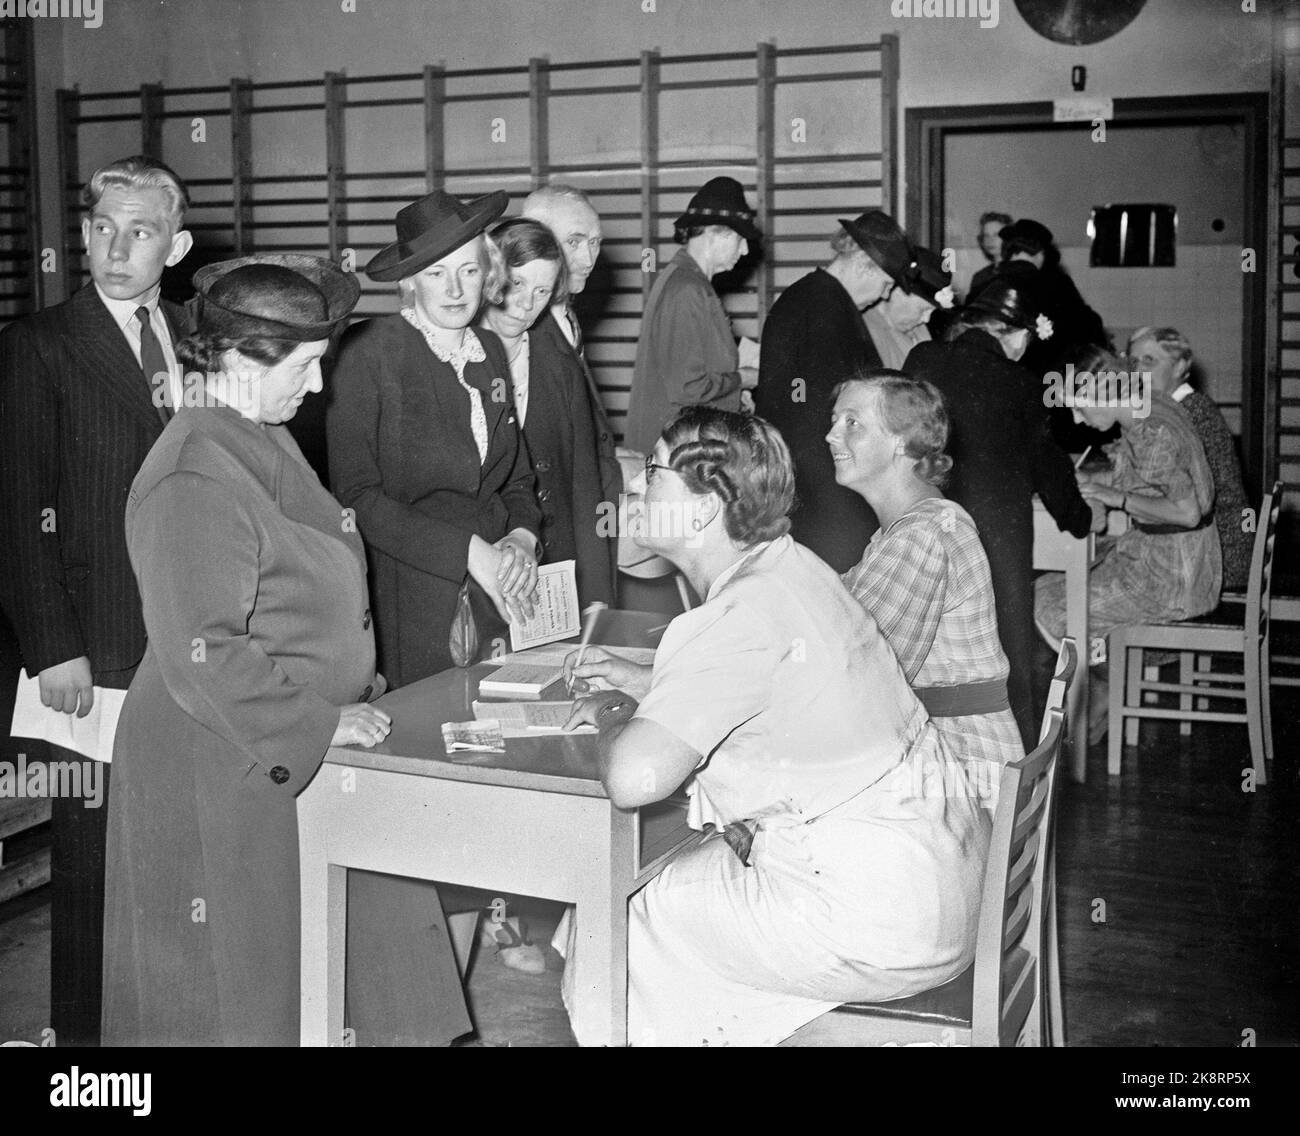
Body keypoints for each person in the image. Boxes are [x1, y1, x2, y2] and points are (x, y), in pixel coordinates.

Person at [561, 407, 988, 1047]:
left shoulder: (734, 614)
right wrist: (657, 682)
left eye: (650, 473)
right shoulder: (794, 568)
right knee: (663, 895)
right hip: (942, 882)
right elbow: (782, 681)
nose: (633, 489)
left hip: (875, 919)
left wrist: (613, 712)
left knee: (612, 913)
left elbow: (634, 778)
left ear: (702, 510)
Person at [101, 255, 393, 1045]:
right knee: (222, 993)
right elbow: (206, 650)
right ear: (237, 360)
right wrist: (318, 720)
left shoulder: (252, 433)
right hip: (213, 755)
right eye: (303, 366)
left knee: (276, 987)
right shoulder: (195, 470)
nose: (319, 385)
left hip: (255, 747)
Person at [0, 155, 193, 1046]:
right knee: (89, 868)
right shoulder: (39, 343)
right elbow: (16, 507)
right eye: (102, 228)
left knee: (167, 858)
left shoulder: (191, 340)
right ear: (82, 233)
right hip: (88, 654)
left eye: (141, 231)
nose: (116, 248)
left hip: (182, 647)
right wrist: (52, 648)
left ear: (176, 245)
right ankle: (78, 1053)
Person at [328, 189, 541, 685]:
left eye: (468, 271)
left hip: (500, 592)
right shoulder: (369, 353)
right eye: (435, 273)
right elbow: (356, 498)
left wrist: (522, 540)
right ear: (409, 281)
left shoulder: (488, 348)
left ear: (487, 274)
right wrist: (470, 552)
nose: (455, 289)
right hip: (410, 597)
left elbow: (517, 477)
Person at [904, 278, 1096, 749]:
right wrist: (1081, 519)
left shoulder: (921, 360)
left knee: (915, 654)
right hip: (993, 544)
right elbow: (1049, 467)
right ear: (1012, 335)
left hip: (918, 530)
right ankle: (1016, 779)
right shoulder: (1022, 385)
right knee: (1007, 657)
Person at [830, 372, 1023, 811]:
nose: (831, 434)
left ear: (902, 440)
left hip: (960, 768)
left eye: (852, 423)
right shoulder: (910, 527)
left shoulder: (920, 536)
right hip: (945, 753)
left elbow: (863, 673)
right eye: (835, 419)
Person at [1035, 349, 1222, 739]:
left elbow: (1186, 512)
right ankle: (1102, 679)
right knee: (1045, 589)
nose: (1075, 418)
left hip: (1170, 576)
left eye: (1079, 407)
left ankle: (1101, 689)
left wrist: (1114, 496)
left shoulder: (1150, 432)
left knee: (1052, 607)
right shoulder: (1153, 405)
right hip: (1180, 560)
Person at [753, 209, 911, 572]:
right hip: (822, 486)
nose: (882, 297)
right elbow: (823, 408)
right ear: (864, 265)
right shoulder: (824, 306)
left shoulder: (813, 296)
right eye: (886, 285)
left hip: (806, 479)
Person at [481, 217, 615, 605]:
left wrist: (596, 597)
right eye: (516, 284)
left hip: (554, 570)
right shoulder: (455, 357)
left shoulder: (560, 365)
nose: (525, 304)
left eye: (541, 292)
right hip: (484, 570)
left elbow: (585, 485)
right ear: (490, 276)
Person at [521, 184, 622, 598]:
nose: (587, 259)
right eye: (574, 242)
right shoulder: (521, 330)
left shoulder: (565, 315)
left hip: (591, 521)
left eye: (595, 242)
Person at [624, 176, 761, 454]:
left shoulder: (691, 283)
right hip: (675, 451)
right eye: (740, 239)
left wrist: (735, 396)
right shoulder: (687, 289)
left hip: (684, 445)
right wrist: (743, 379)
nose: (745, 250)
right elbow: (689, 388)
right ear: (714, 233)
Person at [1128, 326, 1252, 590]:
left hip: (1217, 558)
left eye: (1149, 361)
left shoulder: (1189, 413)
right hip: (1209, 545)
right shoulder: (1184, 406)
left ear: (1179, 366)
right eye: (1133, 362)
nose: (1137, 372)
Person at [863, 244, 956, 370]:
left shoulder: (919, 330)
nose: (926, 319)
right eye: (923, 310)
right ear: (896, 292)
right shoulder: (865, 328)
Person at [967, 209, 1012, 300]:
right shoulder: (980, 277)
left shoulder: (1017, 274)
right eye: (986, 235)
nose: (990, 240)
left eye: (996, 235)